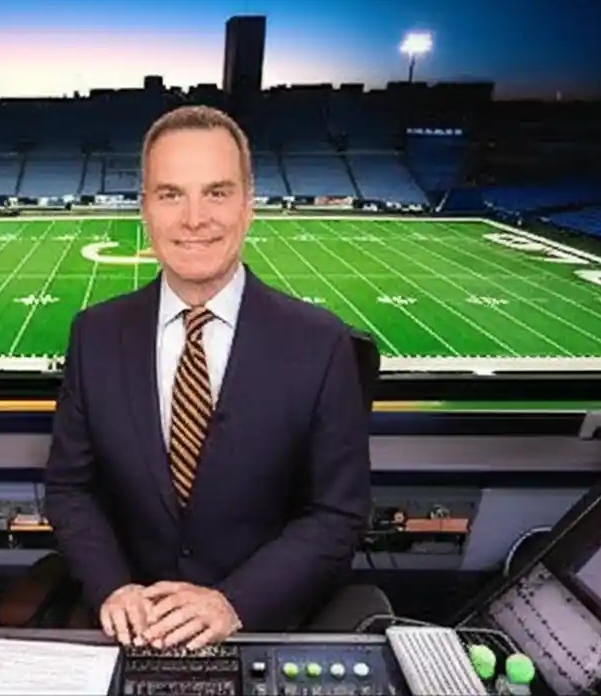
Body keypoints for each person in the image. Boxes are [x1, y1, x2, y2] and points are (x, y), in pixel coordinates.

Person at [43, 105, 380, 651]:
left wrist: (235, 603)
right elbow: (69, 488)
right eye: (171, 194)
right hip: (134, 627)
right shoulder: (95, 334)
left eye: (217, 192)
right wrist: (114, 588)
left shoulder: (321, 342)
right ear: (145, 209)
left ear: (249, 206)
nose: (194, 218)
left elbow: (337, 513)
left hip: (263, 630)